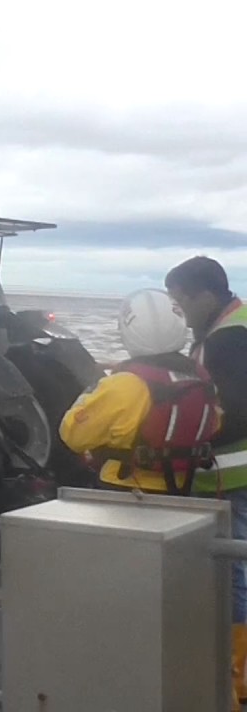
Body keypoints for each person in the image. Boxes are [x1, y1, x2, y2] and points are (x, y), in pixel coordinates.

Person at [165, 256, 247, 702]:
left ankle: (236, 679)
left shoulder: (228, 339)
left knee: (234, 577)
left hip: (232, 478)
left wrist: (181, 430)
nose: (178, 312)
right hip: (234, 476)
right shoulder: (228, 326)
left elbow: (232, 412)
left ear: (206, 297)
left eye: (180, 302)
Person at [59, 288, 221, 495]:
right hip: (183, 488)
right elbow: (215, 424)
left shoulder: (124, 385)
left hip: (124, 488)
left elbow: (73, 436)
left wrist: (91, 391)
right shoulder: (201, 379)